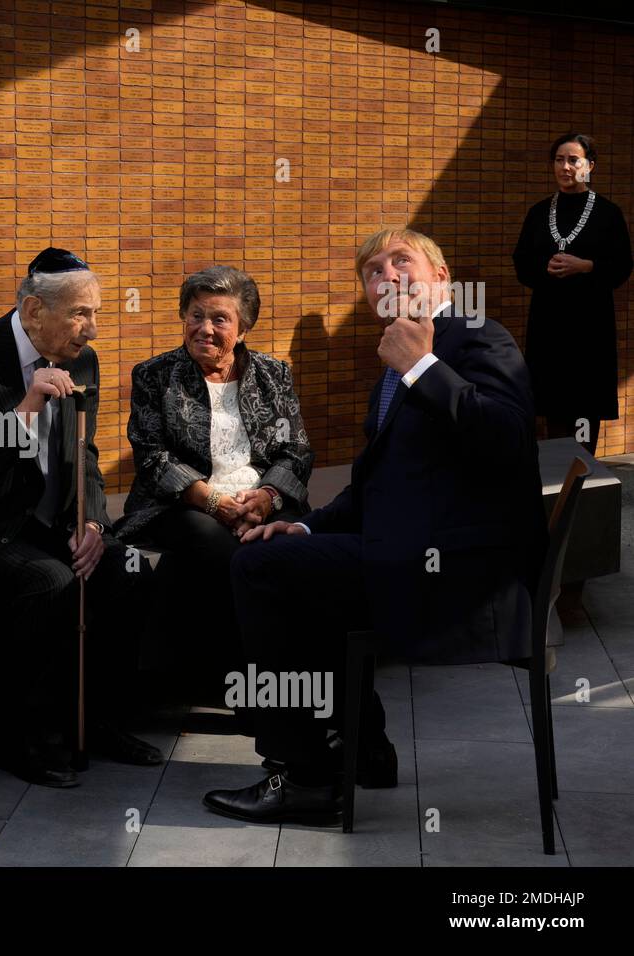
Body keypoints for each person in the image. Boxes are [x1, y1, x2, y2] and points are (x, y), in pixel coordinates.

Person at [204, 228, 546, 825]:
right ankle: (364, 750)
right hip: (410, 554)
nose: (385, 276)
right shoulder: (394, 364)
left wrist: (423, 367)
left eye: (400, 262)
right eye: (371, 271)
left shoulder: (476, 336)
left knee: (259, 571)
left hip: (466, 580)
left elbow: (510, 441)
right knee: (286, 556)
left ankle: (305, 775)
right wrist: (307, 530)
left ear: (442, 276)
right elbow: (371, 492)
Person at [0, 247, 159, 788]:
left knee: (126, 569)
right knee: (50, 580)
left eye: (95, 313)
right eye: (80, 314)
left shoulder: (81, 359)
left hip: (45, 517)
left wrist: (92, 523)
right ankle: (14, 735)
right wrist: (23, 408)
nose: (91, 328)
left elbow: (85, 454)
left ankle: (94, 721)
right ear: (31, 311)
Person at [115, 266, 313, 674]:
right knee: (225, 548)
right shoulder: (154, 375)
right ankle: (243, 674)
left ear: (242, 329)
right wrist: (217, 503)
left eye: (219, 319)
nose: (204, 328)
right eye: (196, 315)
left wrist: (266, 498)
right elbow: (153, 458)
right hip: (182, 504)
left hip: (261, 499)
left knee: (295, 545)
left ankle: (291, 670)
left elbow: (296, 450)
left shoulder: (273, 374)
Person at [514, 132, 632, 455]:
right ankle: (557, 478)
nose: (565, 167)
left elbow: (622, 265)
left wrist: (586, 266)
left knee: (584, 406)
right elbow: (521, 262)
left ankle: (580, 473)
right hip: (549, 324)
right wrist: (545, 268)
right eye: (559, 160)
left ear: (589, 165)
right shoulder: (539, 213)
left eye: (573, 160)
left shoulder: (608, 214)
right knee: (553, 403)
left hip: (590, 327)